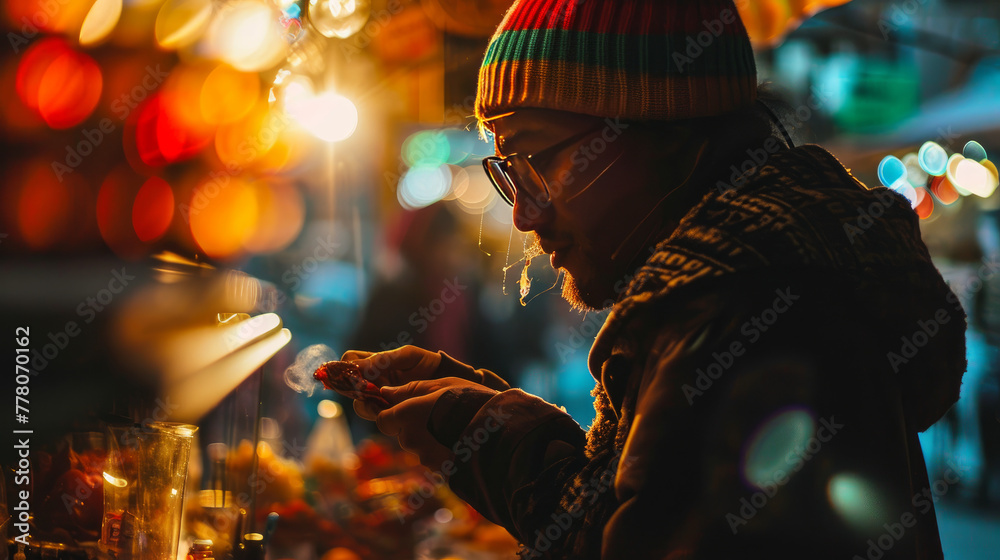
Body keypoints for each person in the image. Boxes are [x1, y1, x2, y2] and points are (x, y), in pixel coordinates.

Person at [341, 1, 968, 558]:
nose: (524, 212)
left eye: (537, 157)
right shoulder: (754, 281)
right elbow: (630, 522)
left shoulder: (738, 309)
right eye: (509, 169)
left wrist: (476, 430)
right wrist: (474, 419)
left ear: (660, 132)